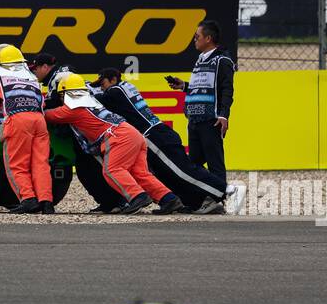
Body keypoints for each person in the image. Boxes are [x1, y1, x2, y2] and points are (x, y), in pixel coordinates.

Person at [45, 73, 180, 215]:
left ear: (65, 94)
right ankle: (168, 199)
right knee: (140, 173)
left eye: (61, 96)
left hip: (117, 136)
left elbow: (47, 115)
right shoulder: (92, 102)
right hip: (132, 133)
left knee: (112, 170)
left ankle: (137, 196)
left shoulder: (72, 110)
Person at [92, 68, 223, 212]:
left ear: (113, 79)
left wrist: (79, 91)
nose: (101, 87)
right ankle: (194, 202)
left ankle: (222, 191)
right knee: (166, 174)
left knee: (182, 171)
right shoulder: (125, 87)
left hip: (153, 135)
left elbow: (94, 103)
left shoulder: (115, 91)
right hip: (156, 133)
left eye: (102, 83)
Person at [164, 19, 236, 214]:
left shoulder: (223, 60)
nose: (194, 40)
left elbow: (226, 90)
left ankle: (216, 201)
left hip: (211, 120)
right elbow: (203, 86)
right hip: (194, 120)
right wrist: (184, 86)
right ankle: (196, 201)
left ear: (209, 38)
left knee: (215, 162)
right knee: (192, 164)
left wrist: (223, 116)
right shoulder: (201, 59)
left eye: (197, 36)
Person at [0, 44, 54, 214]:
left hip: (17, 120)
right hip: (39, 120)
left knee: (17, 164)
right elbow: (41, 102)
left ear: (0, 62)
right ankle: (46, 202)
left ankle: (28, 199)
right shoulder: (30, 77)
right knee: (41, 164)